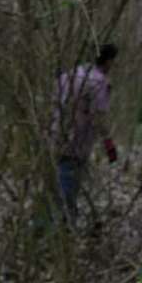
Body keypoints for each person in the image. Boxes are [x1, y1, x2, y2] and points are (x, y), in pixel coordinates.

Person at [51, 42, 119, 222]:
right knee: (68, 185)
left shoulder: (69, 74)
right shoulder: (98, 82)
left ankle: (53, 224)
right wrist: (109, 143)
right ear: (109, 61)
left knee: (58, 180)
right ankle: (63, 227)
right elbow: (99, 116)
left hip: (55, 135)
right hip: (77, 142)